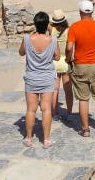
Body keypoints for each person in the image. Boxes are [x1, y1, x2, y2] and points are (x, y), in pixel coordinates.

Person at [65, 0, 95, 137]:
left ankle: (85, 129)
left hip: (80, 65)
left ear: (80, 12)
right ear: (92, 11)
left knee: (83, 99)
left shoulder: (74, 27)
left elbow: (69, 47)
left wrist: (68, 58)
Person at [19, 11, 59, 148]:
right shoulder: (53, 40)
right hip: (47, 77)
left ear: (35, 24)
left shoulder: (27, 38)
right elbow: (57, 57)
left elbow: (21, 52)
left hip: (31, 77)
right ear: (47, 24)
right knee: (46, 109)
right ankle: (46, 140)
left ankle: (29, 138)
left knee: (31, 109)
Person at [50, 10, 73, 119]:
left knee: (55, 90)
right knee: (68, 90)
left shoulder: (51, 29)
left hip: (54, 61)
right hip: (65, 61)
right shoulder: (69, 30)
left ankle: (55, 113)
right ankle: (69, 112)